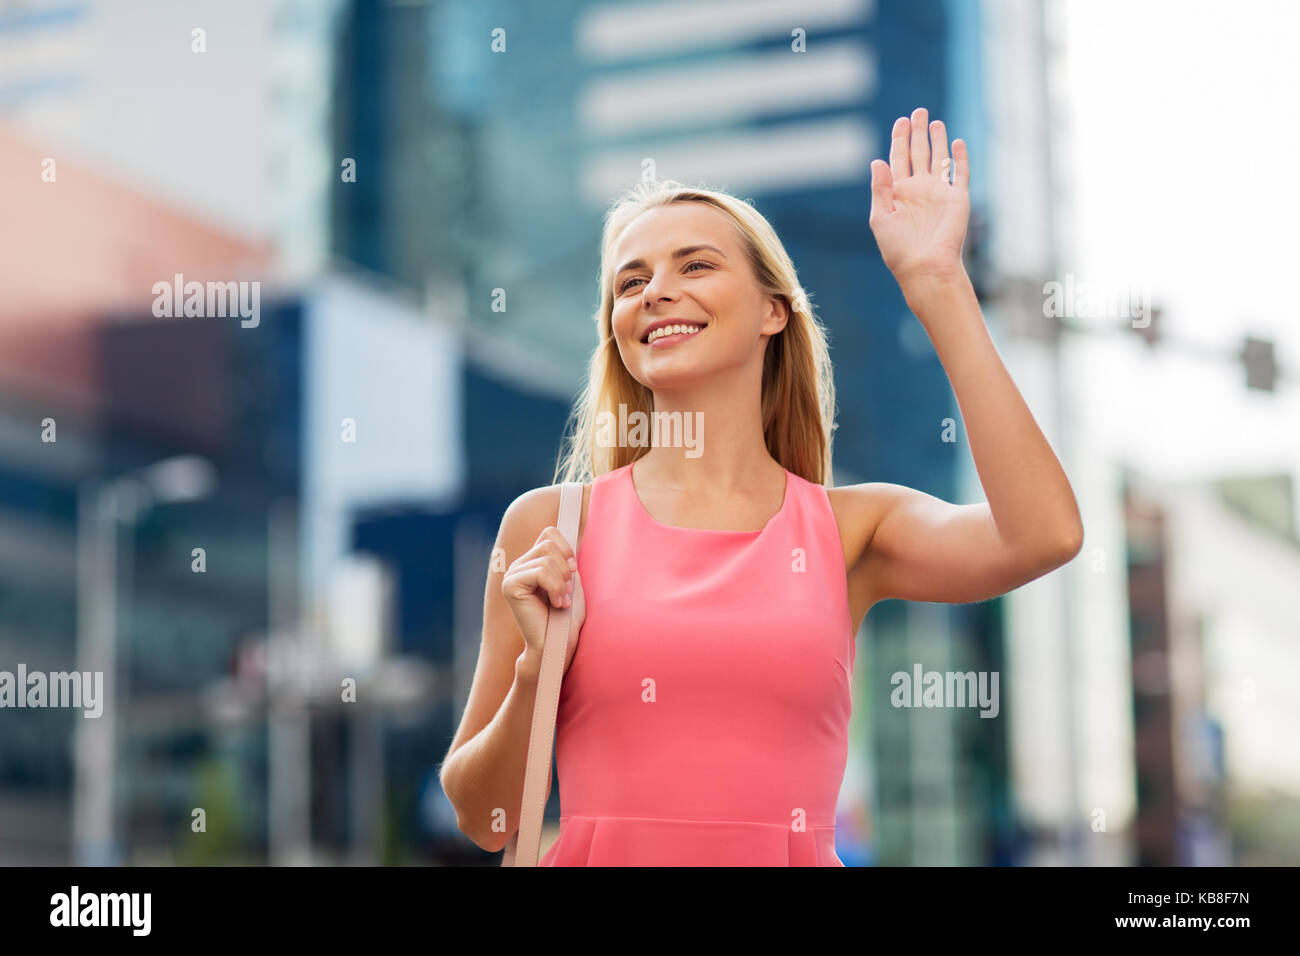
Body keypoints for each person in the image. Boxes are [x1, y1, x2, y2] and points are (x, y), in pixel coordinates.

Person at [439, 107, 1084, 866]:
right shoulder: (550, 530)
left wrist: (938, 281)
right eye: (631, 281)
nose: (656, 292)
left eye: (696, 265)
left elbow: (1045, 533)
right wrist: (533, 669)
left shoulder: (851, 529)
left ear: (774, 310)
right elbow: (484, 819)